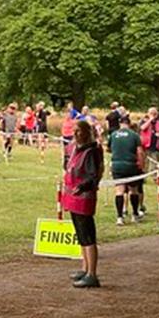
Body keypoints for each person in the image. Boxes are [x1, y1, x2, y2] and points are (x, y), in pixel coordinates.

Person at [64, 120, 104, 288]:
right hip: (74, 197)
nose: (75, 134)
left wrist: (81, 187)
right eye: (74, 131)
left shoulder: (91, 151)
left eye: (78, 131)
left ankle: (92, 273)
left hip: (83, 197)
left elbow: (93, 175)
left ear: (87, 132)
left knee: (87, 236)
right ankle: (85, 268)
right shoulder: (76, 149)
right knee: (81, 235)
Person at [106, 115, 144, 225]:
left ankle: (119, 217)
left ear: (120, 123)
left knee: (119, 191)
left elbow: (108, 149)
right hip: (131, 165)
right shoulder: (134, 135)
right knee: (133, 190)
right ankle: (135, 214)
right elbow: (140, 152)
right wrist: (141, 165)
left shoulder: (113, 135)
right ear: (129, 123)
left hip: (117, 165)